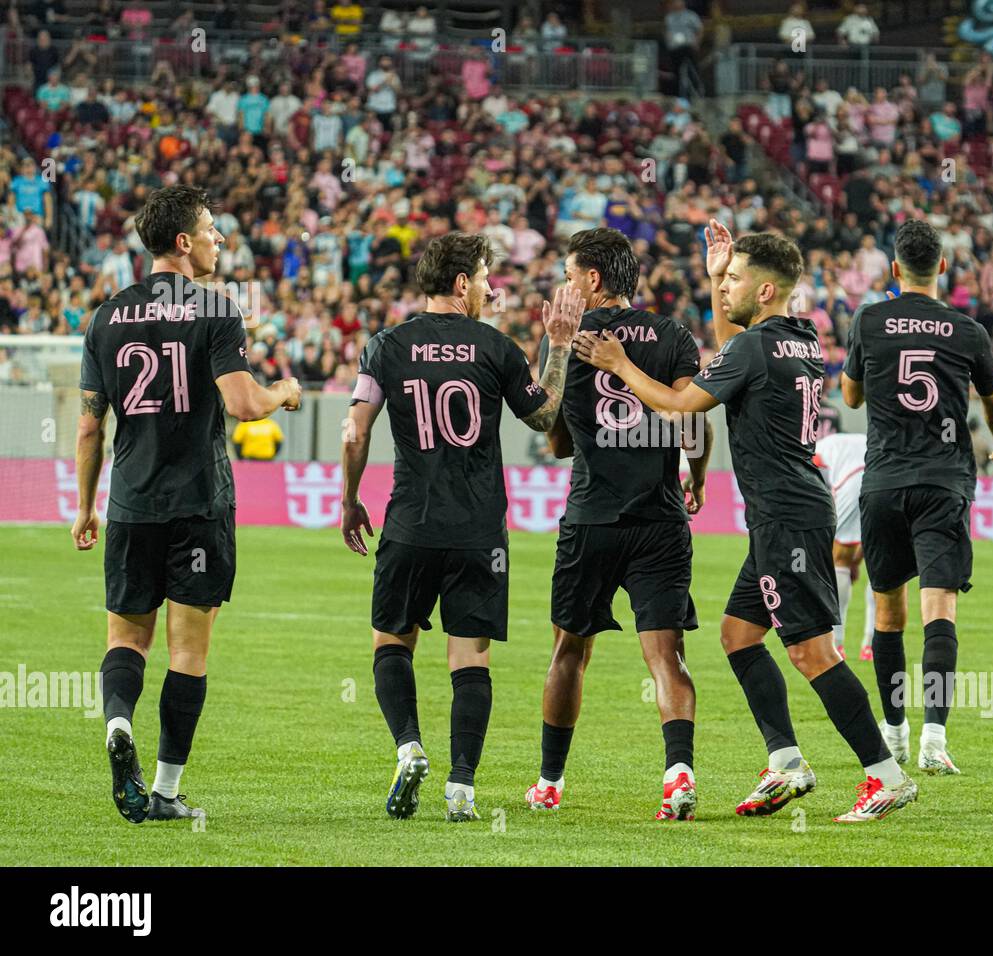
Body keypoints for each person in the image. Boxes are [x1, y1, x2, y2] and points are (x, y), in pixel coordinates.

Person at [575, 221, 916, 823]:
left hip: (786, 516)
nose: (725, 285)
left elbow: (683, 406)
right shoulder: (799, 337)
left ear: (764, 291)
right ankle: (786, 762)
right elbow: (734, 346)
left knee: (812, 653)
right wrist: (712, 279)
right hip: (788, 510)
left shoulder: (753, 348)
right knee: (739, 636)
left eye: (734, 278)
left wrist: (619, 363)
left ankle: (885, 775)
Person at [73, 184, 302, 824]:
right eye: (210, 229)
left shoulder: (105, 316)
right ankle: (168, 792)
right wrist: (285, 390)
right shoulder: (216, 308)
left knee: (125, 639)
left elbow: (90, 427)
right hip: (199, 502)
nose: (219, 239)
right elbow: (243, 405)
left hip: (130, 503)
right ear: (183, 241)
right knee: (189, 653)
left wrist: (86, 506)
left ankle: (119, 724)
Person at [340, 233, 580, 823]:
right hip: (478, 531)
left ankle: (408, 746)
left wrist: (349, 499)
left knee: (391, 643)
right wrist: (560, 347)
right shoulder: (495, 346)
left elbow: (352, 432)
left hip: (410, 523)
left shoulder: (384, 347)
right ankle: (462, 789)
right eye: (482, 278)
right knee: (470, 661)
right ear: (460, 285)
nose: (488, 288)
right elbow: (546, 414)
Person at [524, 228, 712, 821]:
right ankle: (677, 775)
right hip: (660, 518)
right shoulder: (675, 335)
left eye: (569, 272)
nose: (563, 282)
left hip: (592, 519)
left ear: (593, 280)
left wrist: (555, 354)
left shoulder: (568, 340)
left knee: (568, 653)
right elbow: (695, 426)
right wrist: (699, 477)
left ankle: (550, 783)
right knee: (666, 657)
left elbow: (552, 436)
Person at [839, 219, 993, 774]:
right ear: (943, 269)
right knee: (941, 612)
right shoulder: (968, 330)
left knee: (888, 614)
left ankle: (895, 733)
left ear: (894, 270)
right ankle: (935, 738)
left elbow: (852, 395)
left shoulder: (869, 319)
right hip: (943, 480)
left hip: (884, 480)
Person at [812, 423, 874, 661]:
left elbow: (814, 478)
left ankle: (838, 643)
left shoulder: (819, 448)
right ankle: (871, 643)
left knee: (840, 561)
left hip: (851, 482)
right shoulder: (858, 439)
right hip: (887, 481)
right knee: (883, 563)